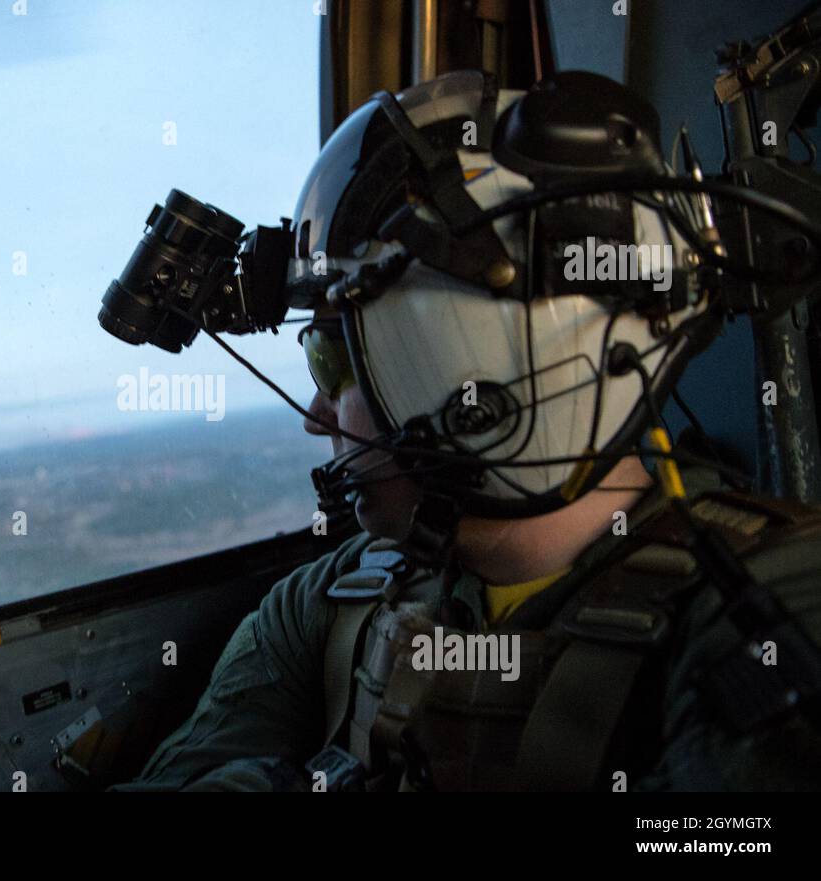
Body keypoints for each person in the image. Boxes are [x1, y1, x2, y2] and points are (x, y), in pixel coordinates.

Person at [114, 70, 821, 791]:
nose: (315, 416)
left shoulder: (775, 610)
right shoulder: (331, 601)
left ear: (460, 363)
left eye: (332, 358)